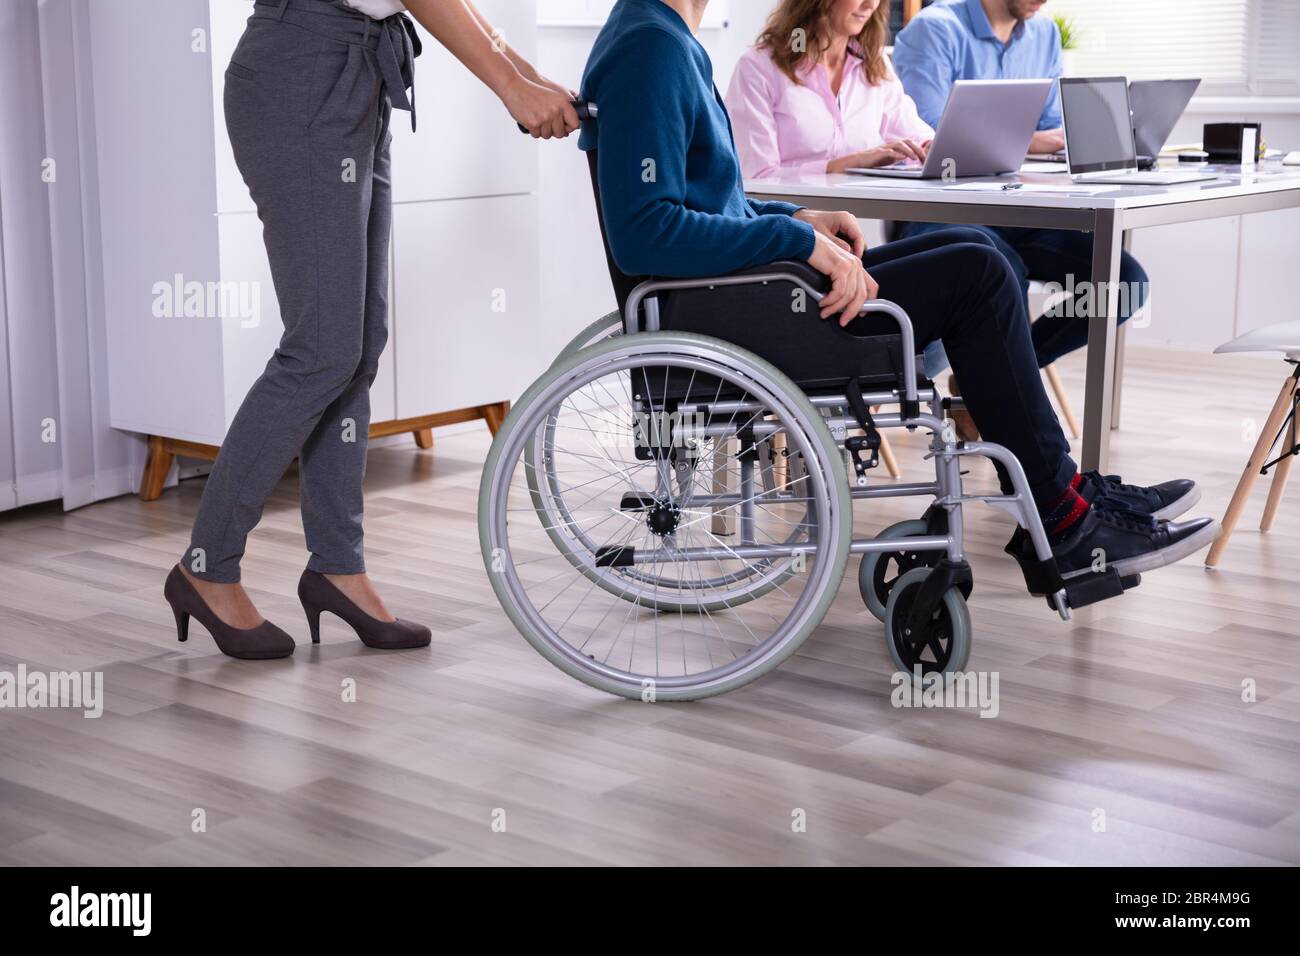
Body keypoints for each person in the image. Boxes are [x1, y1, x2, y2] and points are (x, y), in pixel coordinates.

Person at [579, 0, 1216, 585]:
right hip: (743, 314)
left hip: (754, 294)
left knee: (981, 248)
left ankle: (1065, 493)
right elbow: (645, 234)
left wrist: (797, 218)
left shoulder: (665, 38)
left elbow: (714, 199)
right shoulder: (651, 48)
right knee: (981, 275)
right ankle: (1063, 517)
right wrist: (794, 242)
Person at [165, 0, 580, 660]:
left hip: (354, 69)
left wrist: (525, 72)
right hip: (301, 70)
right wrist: (510, 84)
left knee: (356, 347)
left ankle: (338, 567)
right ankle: (206, 565)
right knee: (322, 347)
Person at [892, 0, 1150, 380]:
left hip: (1019, 211)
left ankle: (988, 383)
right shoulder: (935, 30)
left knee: (1123, 282)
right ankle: (993, 385)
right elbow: (928, 131)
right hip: (942, 213)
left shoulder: (1043, 34)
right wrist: (1030, 140)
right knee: (998, 267)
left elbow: (1054, 129)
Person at [725, 0, 933, 179]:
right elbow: (755, 176)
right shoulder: (759, 67)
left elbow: (915, 134)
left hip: (866, 216)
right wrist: (849, 163)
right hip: (792, 219)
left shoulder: (873, 65)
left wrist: (929, 147)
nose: (870, 5)